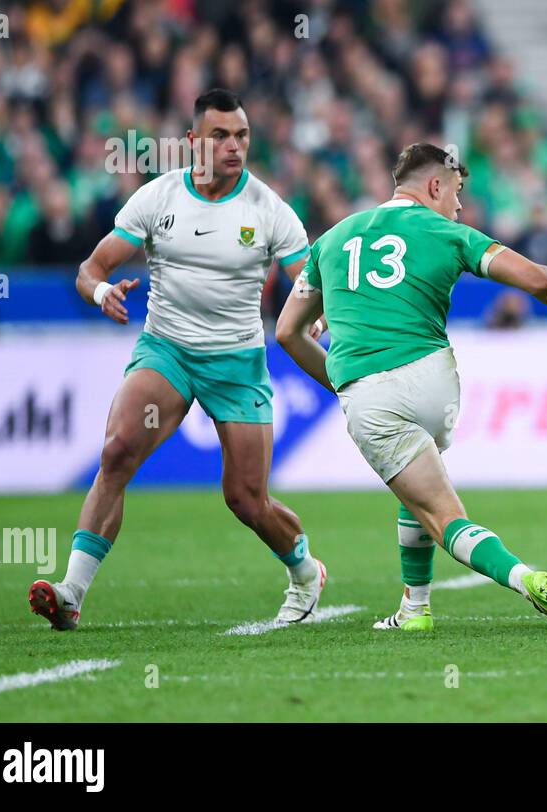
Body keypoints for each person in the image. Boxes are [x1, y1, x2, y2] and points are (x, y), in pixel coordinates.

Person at [29, 89, 326, 630]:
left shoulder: (270, 209)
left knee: (246, 500)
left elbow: (307, 279)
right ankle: (71, 591)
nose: (234, 146)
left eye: (241, 136)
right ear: (193, 142)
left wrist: (316, 314)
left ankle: (305, 571)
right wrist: (100, 294)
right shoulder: (157, 197)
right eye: (220, 136)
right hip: (166, 350)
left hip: (236, 364)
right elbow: (89, 268)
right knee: (118, 451)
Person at [276, 143, 547, 632]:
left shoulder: (330, 240)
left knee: (441, 514)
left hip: (371, 393)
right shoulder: (449, 234)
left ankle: (527, 578)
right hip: (436, 381)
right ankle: (415, 609)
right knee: (419, 487)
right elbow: (541, 279)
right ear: (434, 186)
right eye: (457, 192)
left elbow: (287, 332)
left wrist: (346, 386)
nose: (460, 204)